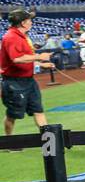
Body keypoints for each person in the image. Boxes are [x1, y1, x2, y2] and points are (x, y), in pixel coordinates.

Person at [3, 8, 52, 137]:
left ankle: (49, 141)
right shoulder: (11, 37)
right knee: (12, 115)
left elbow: (24, 58)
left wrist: (41, 64)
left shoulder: (22, 36)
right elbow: (16, 59)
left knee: (38, 110)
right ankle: (9, 142)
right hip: (14, 82)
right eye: (29, 20)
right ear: (23, 23)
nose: (31, 22)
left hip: (28, 80)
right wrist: (39, 57)